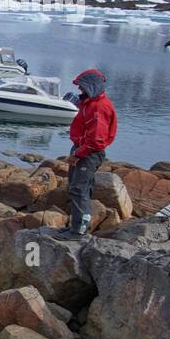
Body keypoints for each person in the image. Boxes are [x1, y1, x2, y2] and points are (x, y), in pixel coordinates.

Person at [61, 68, 118, 239]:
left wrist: (78, 154)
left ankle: (78, 231)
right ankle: (76, 227)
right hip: (83, 150)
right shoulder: (91, 104)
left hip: (88, 154)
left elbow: (96, 141)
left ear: (91, 86)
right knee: (78, 188)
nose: (80, 90)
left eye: (82, 87)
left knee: (80, 190)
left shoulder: (99, 108)